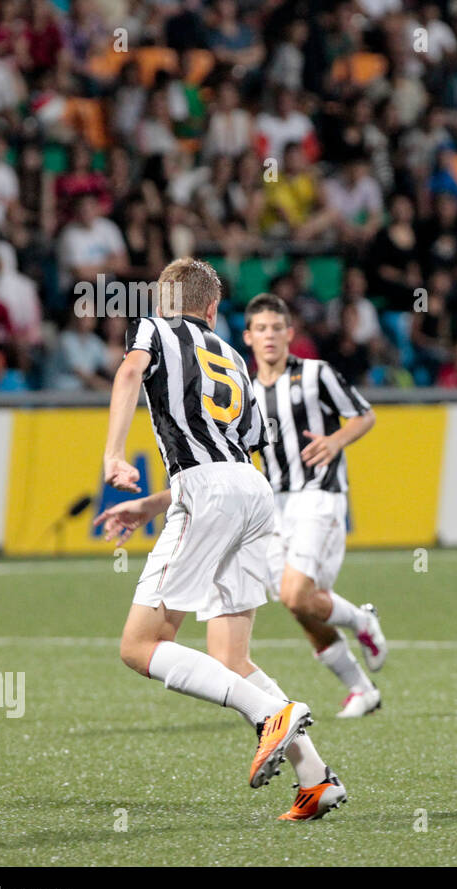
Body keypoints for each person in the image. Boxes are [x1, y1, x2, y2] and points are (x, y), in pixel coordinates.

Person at [92, 258, 346, 822]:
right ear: (213, 309)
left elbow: (130, 375)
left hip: (206, 493)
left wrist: (112, 455)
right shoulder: (233, 356)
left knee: (140, 646)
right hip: (252, 495)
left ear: (165, 302)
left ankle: (268, 716)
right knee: (230, 656)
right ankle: (314, 776)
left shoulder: (153, 328)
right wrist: (152, 504)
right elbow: (237, 453)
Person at [243, 293, 388, 718]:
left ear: (290, 333)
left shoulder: (316, 374)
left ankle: (362, 623)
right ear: (248, 337)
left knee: (296, 594)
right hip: (272, 506)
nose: (269, 336)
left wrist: (335, 440)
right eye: (261, 329)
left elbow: (364, 415)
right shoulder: (244, 392)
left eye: (277, 328)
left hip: (318, 495)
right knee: (300, 606)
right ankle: (362, 688)